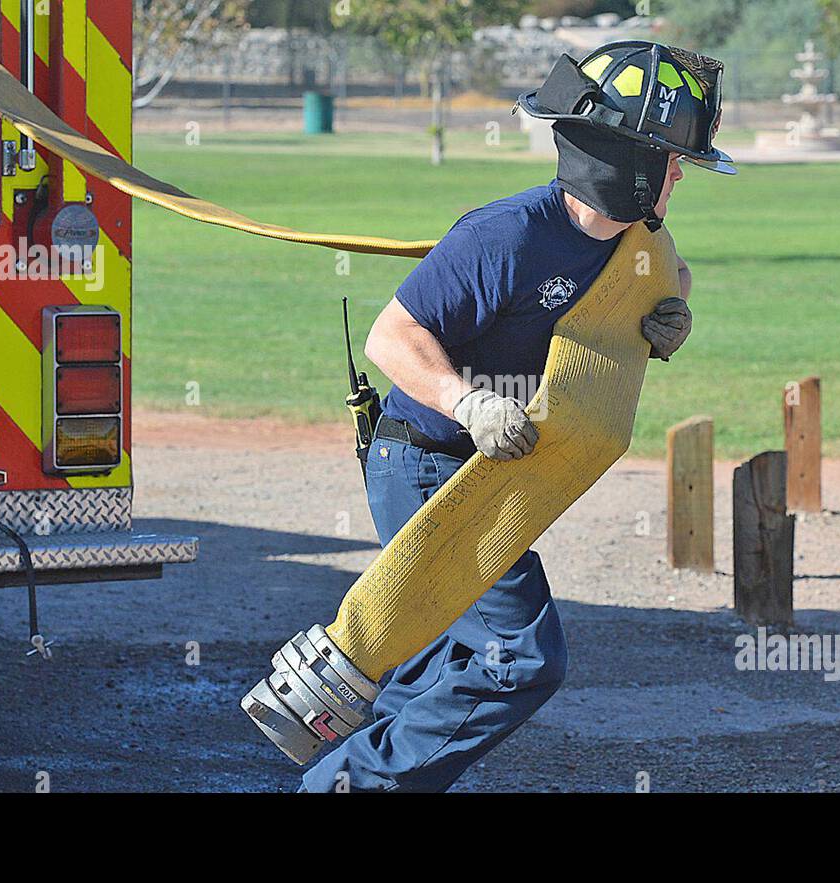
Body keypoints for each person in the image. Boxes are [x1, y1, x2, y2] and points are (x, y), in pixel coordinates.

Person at [300, 40, 735, 792]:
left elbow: (672, 274)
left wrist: (671, 314)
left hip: (484, 469)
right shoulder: (505, 235)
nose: (677, 177)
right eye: (668, 159)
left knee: (440, 657)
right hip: (423, 459)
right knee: (522, 655)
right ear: (620, 157)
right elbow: (390, 336)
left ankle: (353, 776)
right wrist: (469, 402)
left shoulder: (636, 242)